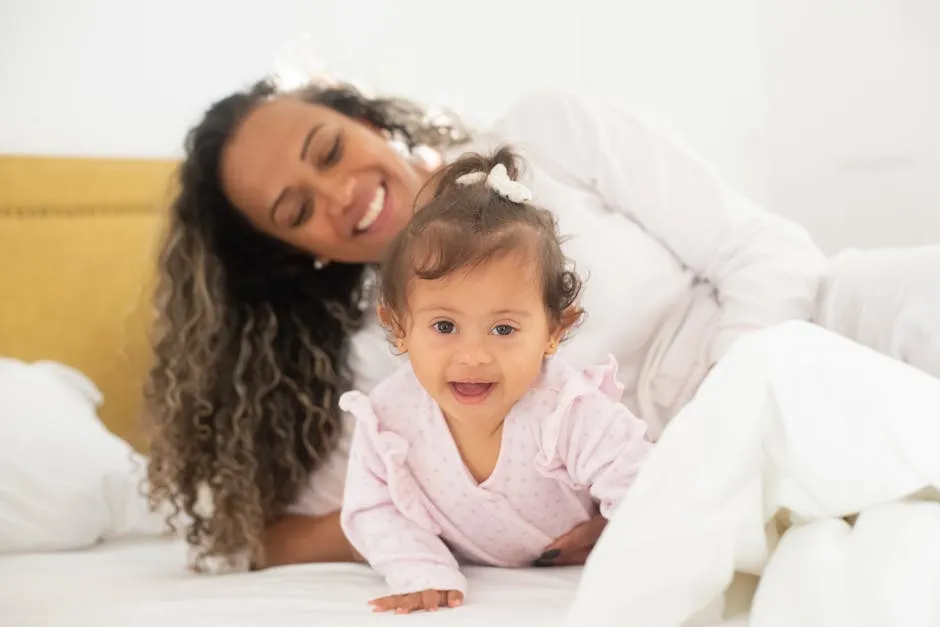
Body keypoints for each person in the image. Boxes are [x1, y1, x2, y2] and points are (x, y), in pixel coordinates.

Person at [142, 76, 834, 573]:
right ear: (303, 252)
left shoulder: (546, 131)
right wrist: (430, 520)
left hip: (810, 334)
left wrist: (712, 435)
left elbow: (764, 252)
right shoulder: (383, 359)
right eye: (297, 211)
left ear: (371, 123)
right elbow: (264, 536)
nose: (339, 192)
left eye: (329, 151)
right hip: (710, 491)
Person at [340, 148, 654, 613]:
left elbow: (645, 489)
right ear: (399, 326)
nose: (473, 357)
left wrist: (629, 559)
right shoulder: (390, 417)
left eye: (504, 329)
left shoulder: (568, 412)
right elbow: (375, 510)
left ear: (553, 332)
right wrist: (422, 570)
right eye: (444, 327)